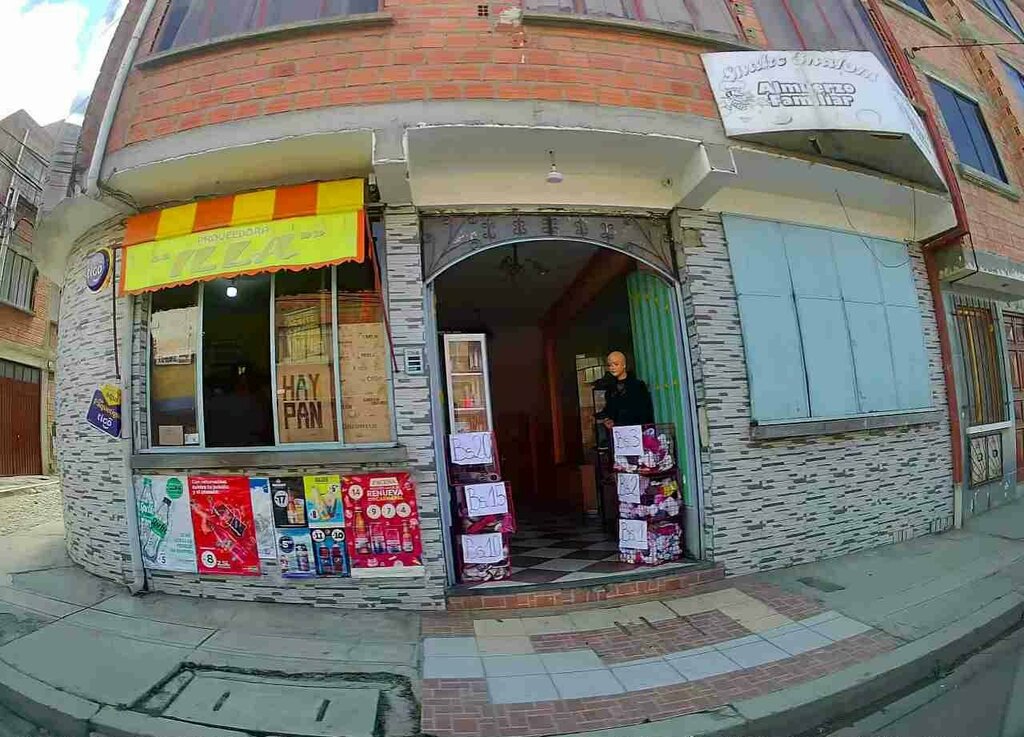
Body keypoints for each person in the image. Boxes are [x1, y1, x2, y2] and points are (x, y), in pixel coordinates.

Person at [595, 351, 654, 429]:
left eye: (616, 364)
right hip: (617, 432)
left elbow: (645, 411)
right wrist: (607, 419)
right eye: (609, 365)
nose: (612, 368)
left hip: (636, 430)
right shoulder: (610, 388)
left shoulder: (637, 385)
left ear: (624, 365)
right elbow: (610, 410)